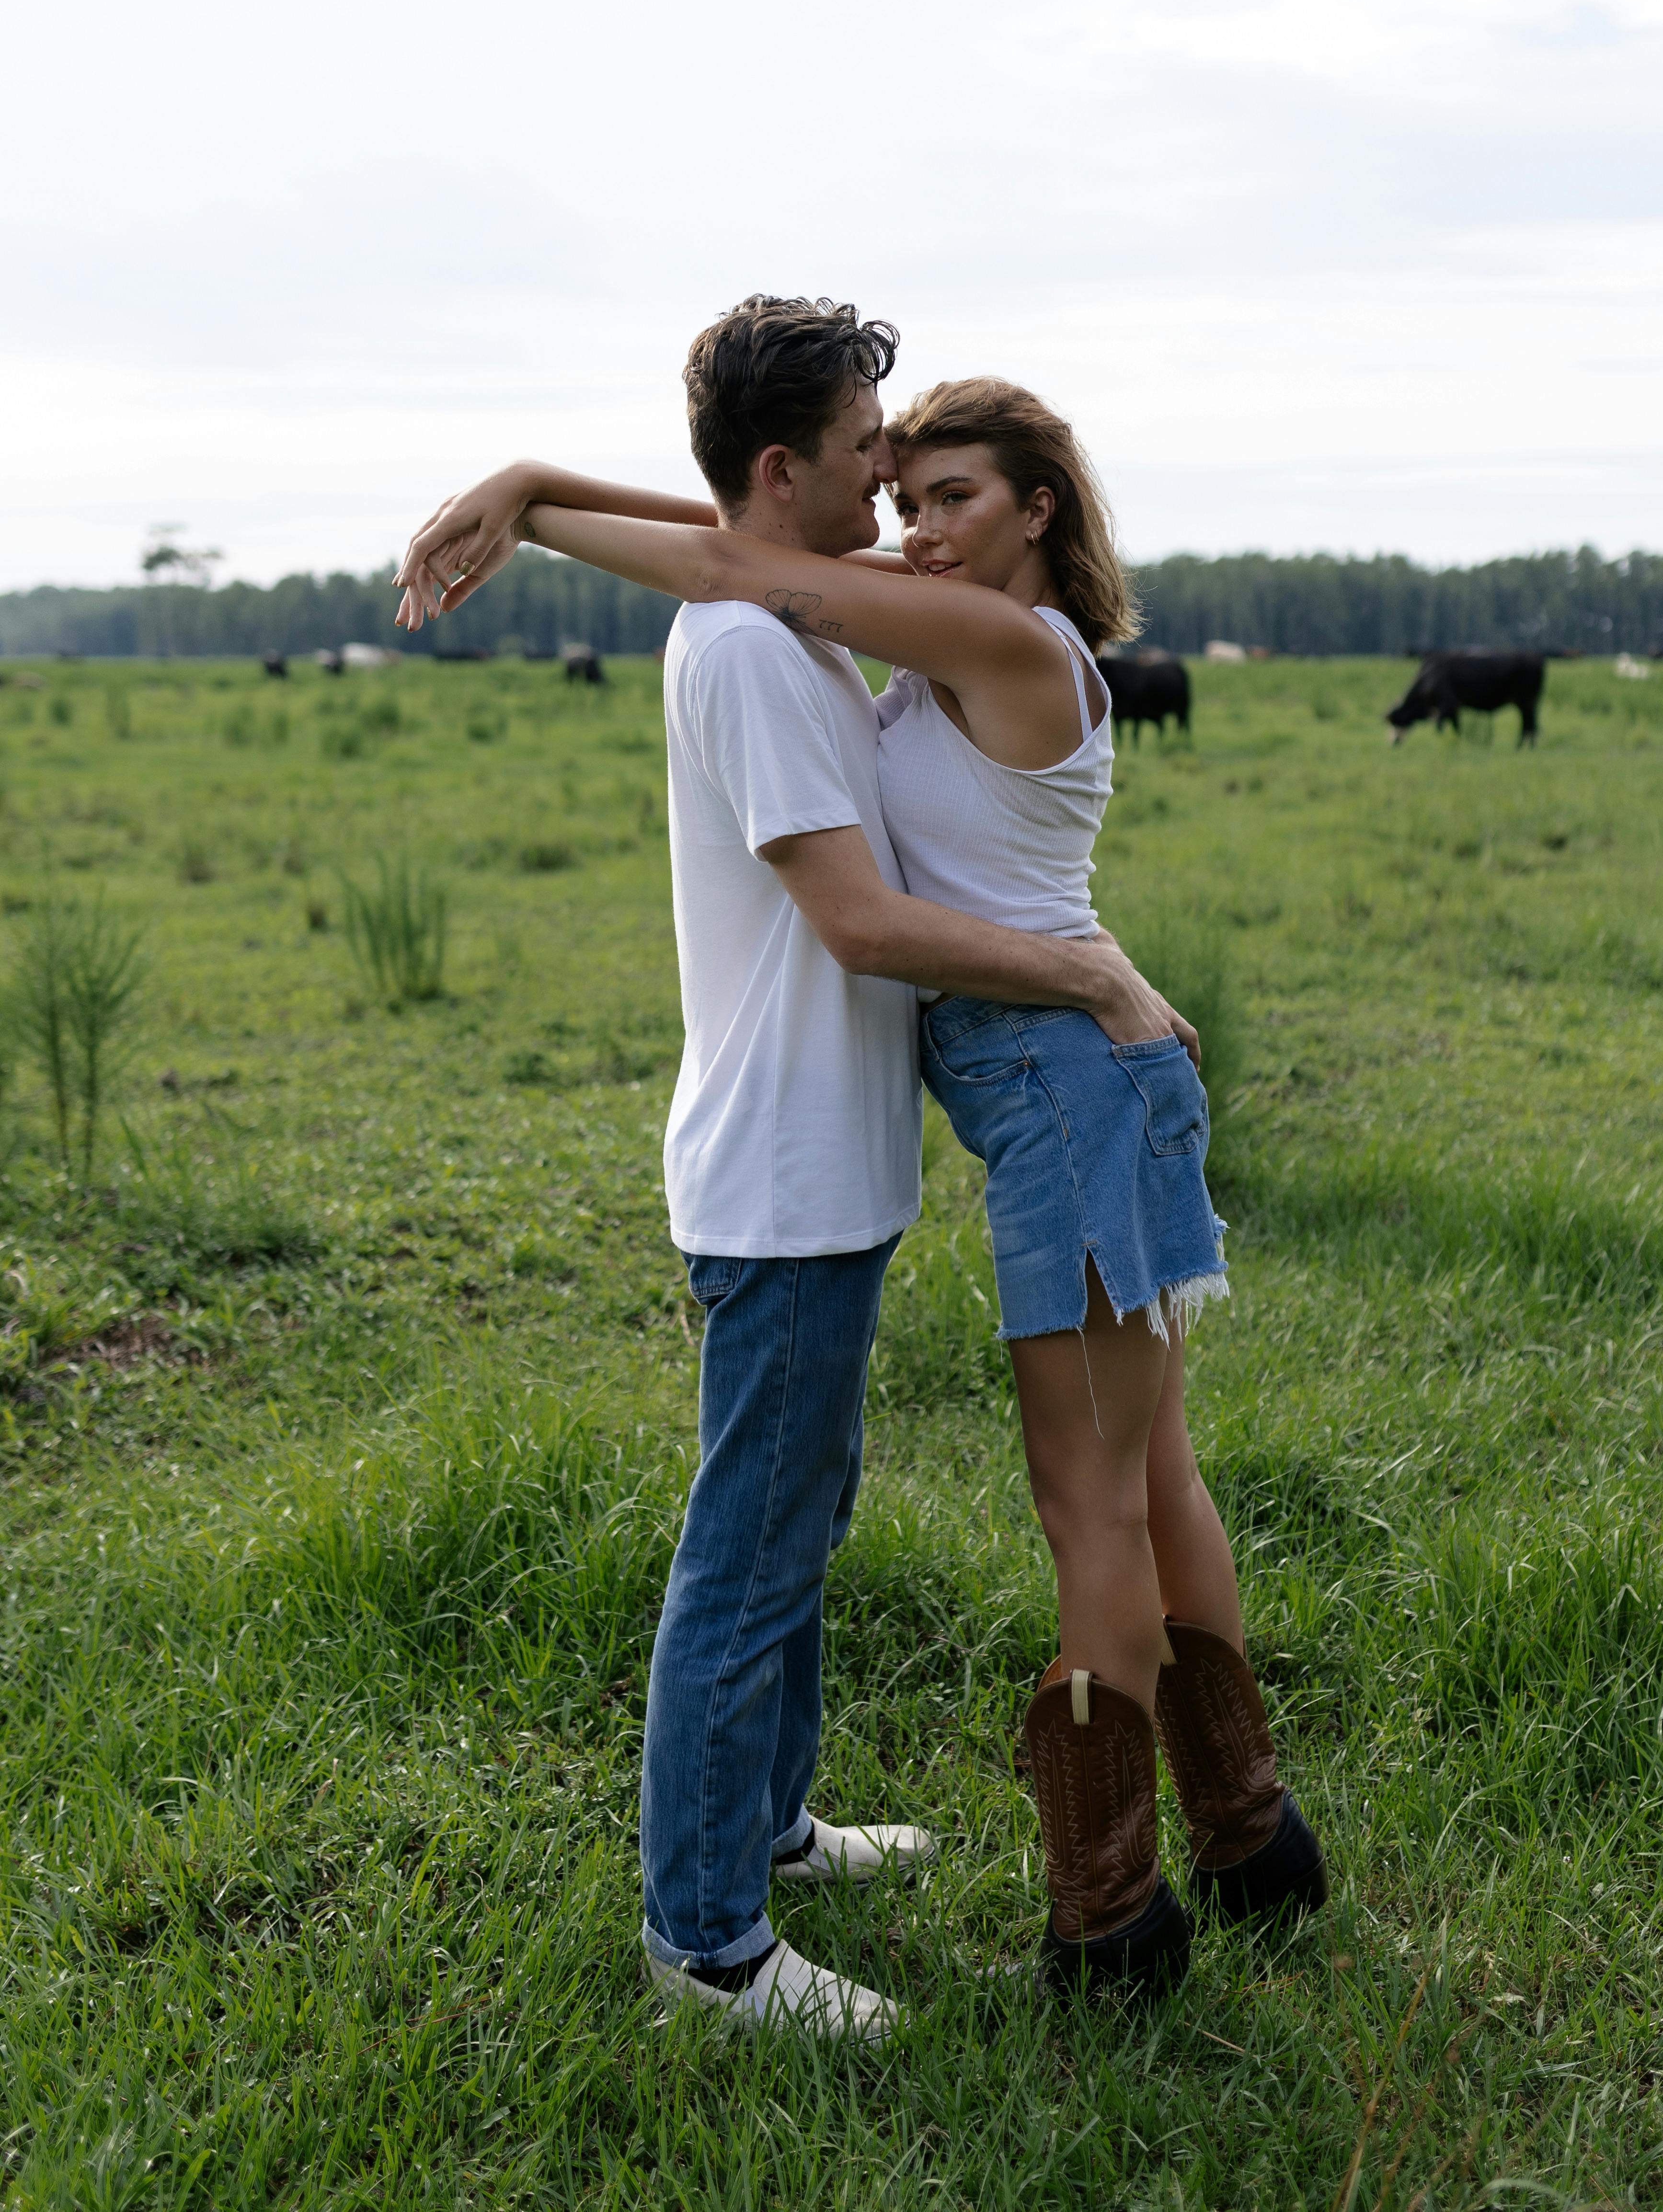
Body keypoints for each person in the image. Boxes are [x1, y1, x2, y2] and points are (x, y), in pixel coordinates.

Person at [399, 336, 1327, 2002]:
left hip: (1072, 1094)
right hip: (1059, 1088)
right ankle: (1252, 1843)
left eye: (951, 495)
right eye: (898, 490)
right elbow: (741, 547)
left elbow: (736, 552)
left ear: (1040, 512)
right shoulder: (910, 624)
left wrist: (534, 497)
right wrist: (535, 497)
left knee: (1094, 1505)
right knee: (1146, 1481)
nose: (918, 525)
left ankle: (1116, 1923)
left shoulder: (994, 635)